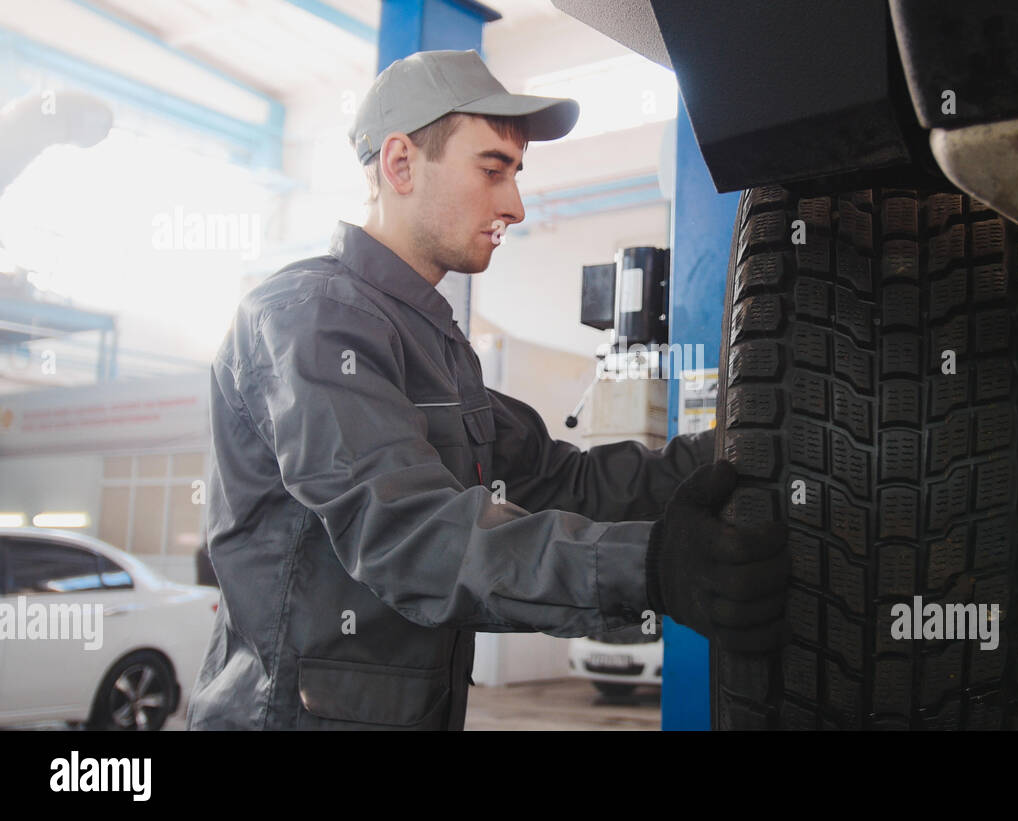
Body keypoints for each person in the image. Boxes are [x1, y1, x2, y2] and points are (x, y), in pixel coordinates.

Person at [186, 50, 789, 730]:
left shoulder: (434, 346)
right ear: (400, 163)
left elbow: (565, 481)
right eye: (492, 169)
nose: (516, 204)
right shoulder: (307, 317)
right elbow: (408, 532)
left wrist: (743, 449)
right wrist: (646, 566)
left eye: (516, 174)